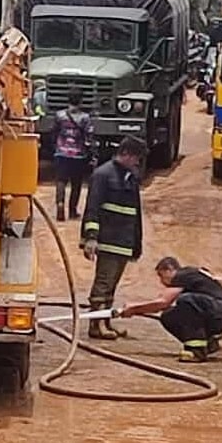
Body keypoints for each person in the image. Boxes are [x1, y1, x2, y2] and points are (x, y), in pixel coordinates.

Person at [82, 136, 146, 340]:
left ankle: (105, 321)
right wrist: (91, 237)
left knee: (111, 287)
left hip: (123, 243)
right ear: (125, 154)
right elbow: (92, 208)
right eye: (136, 158)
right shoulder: (103, 175)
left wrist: (136, 244)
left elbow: (135, 213)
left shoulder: (129, 176)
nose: (137, 163)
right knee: (103, 284)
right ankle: (96, 324)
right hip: (108, 241)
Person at [117, 257, 222, 362]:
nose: (161, 282)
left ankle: (196, 350)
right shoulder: (191, 275)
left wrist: (134, 308)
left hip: (219, 312)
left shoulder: (182, 275)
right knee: (169, 315)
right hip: (217, 312)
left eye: (161, 276)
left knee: (185, 300)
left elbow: (162, 302)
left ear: (169, 270)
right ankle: (207, 343)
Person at [51, 92, 92, 221]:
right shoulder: (85, 118)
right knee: (76, 183)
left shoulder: (59, 115)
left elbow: (53, 132)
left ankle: (60, 204)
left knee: (61, 181)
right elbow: (89, 136)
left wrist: (56, 147)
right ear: (80, 101)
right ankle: (73, 211)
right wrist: (91, 152)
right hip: (78, 155)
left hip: (61, 152)